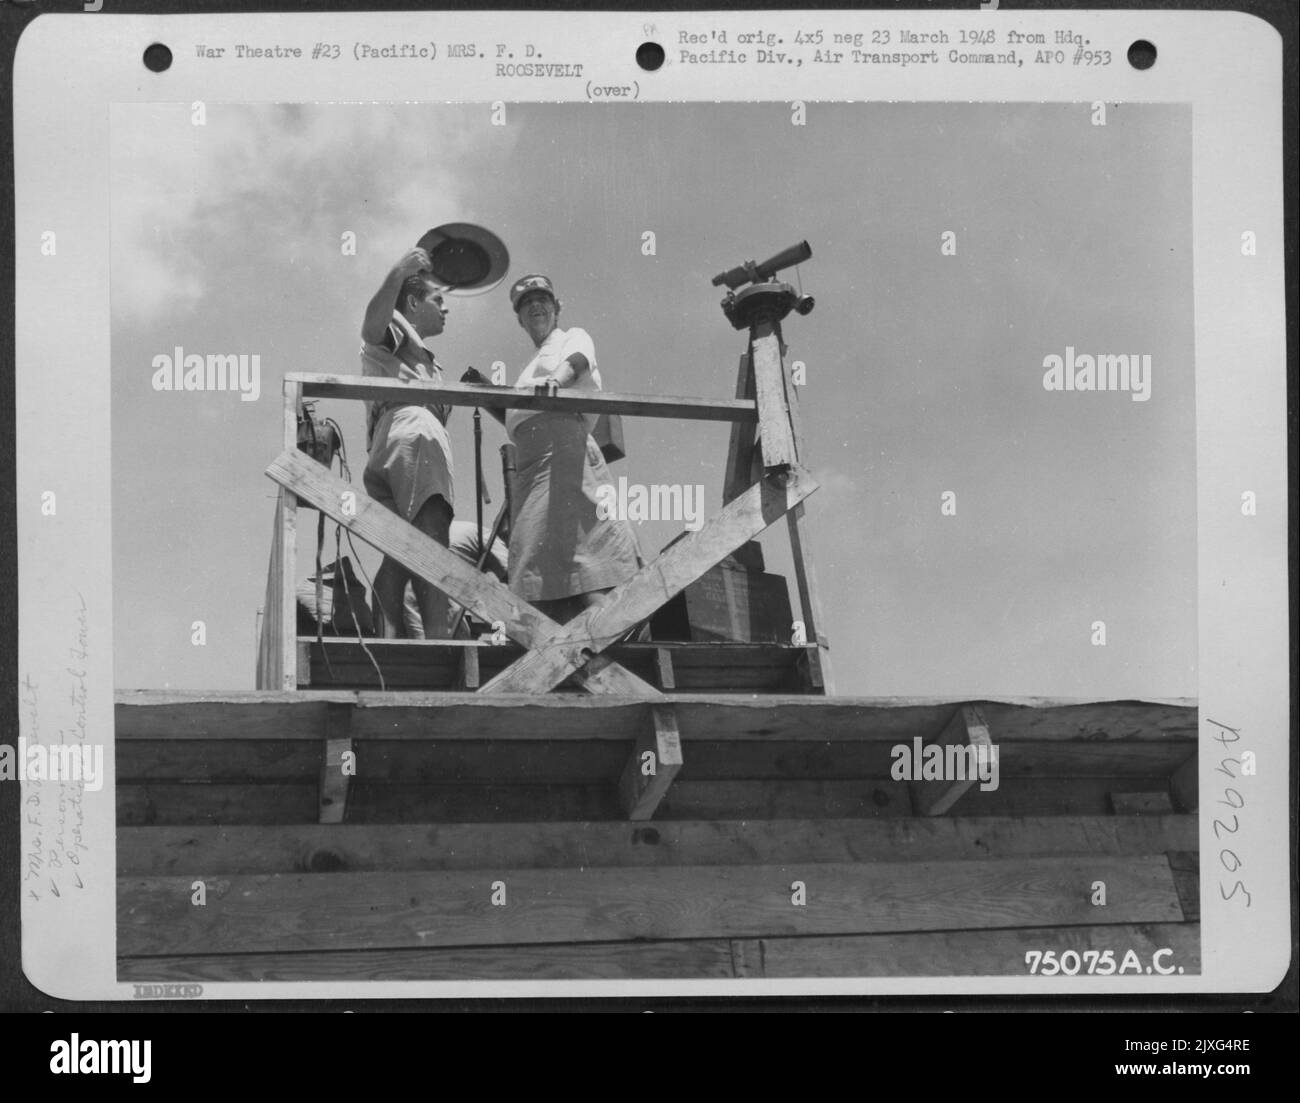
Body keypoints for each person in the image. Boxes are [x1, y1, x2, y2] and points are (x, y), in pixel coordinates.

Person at [501, 274, 641, 624]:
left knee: (587, 556)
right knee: (540, 563)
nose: (535, 306)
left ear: (557, 308)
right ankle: (560, 653)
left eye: (542, 299)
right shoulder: (528, 365)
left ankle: (608, 643)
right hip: (534, 472)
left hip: (566, 457)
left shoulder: (571, 336)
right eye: (526, 303)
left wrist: (556, 381)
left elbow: (579, 359)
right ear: (518, 318)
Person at [359, 247, 455, 639]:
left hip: (390, 440)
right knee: (432, 534)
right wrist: (399, 270)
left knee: (398, 551)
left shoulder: (421, 351)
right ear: (413, 302)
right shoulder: (397, 325)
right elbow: (370, 329)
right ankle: (438, 642)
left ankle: (387, 642)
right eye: (438, 300)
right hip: (412, 431)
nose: (445, 309)